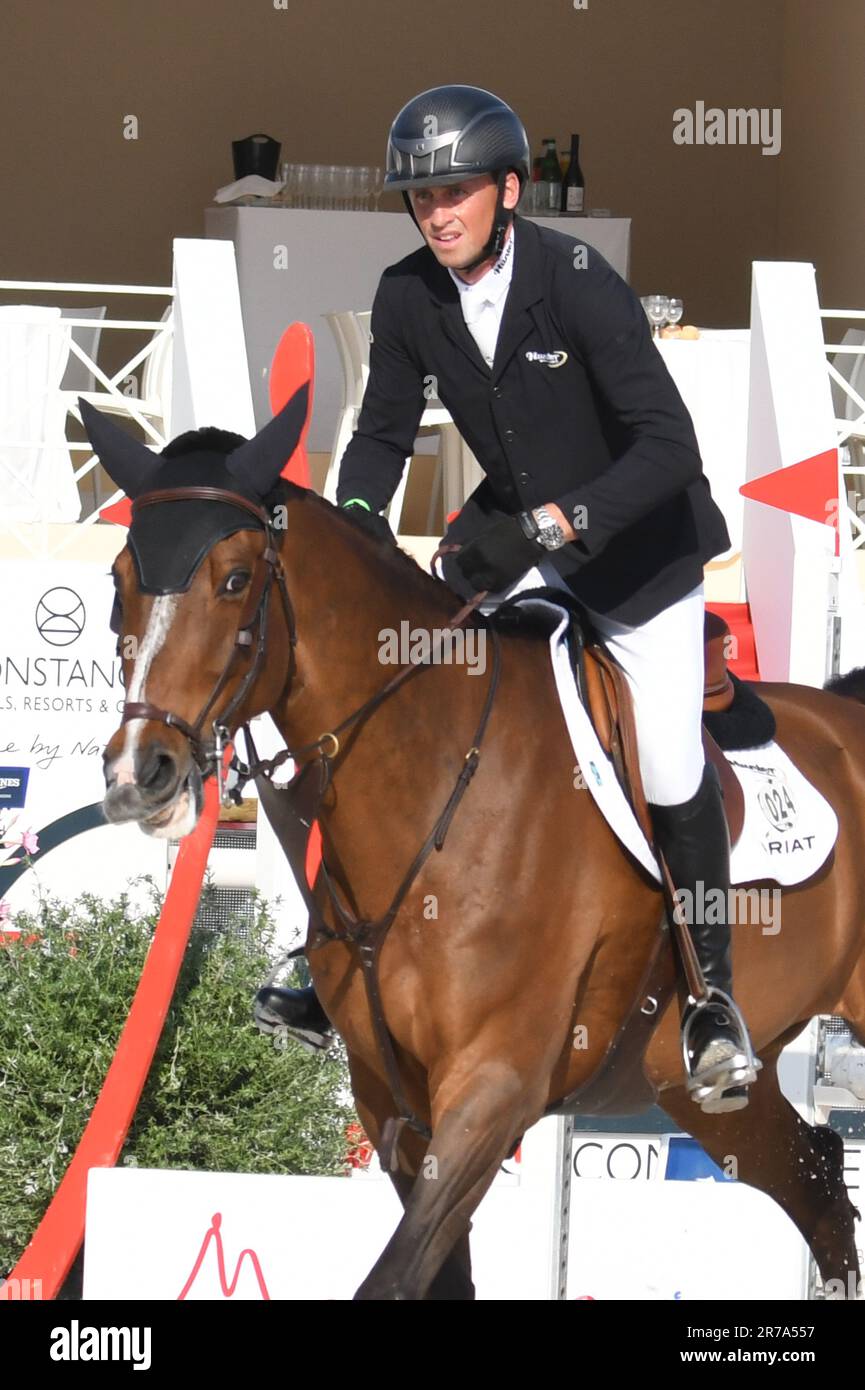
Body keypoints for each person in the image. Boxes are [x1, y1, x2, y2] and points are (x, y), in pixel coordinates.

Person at [256, 84, 760, 1112]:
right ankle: (333, 958)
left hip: (639, 557)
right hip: (514, 543)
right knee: (403, 707)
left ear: (507, 189)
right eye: (419, 197)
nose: (436, 213)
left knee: (666, 754)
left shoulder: (578, 284)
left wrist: (570, 521)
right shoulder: (408, 296)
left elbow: (668, 447)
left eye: (453, 192)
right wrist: (354, 519)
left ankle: (713, 998)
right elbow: (384, 432)